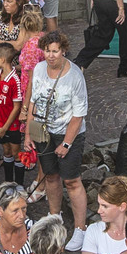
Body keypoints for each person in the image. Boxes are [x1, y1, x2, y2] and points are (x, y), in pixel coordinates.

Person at [23, 31, 88, 229]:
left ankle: (80, 228)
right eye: (47, 51)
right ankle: (54, 217)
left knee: (72, 181)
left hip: (67, 131)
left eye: (55, 51)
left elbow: (78, 115)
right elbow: (33, 102)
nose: (50, 55)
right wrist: (28, 134)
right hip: (43, 130)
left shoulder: (75, 76)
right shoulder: (40, 68)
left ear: (63, 51)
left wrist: (66, 143)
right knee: (50, 176)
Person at [0, 44, 24, 184]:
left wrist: (5, 127)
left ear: (3, 59)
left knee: (16, 153)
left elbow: (17, 107)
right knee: (6, 151)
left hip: (11, 125)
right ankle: (9, 182)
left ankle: (19, 185)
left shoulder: (14, 80)